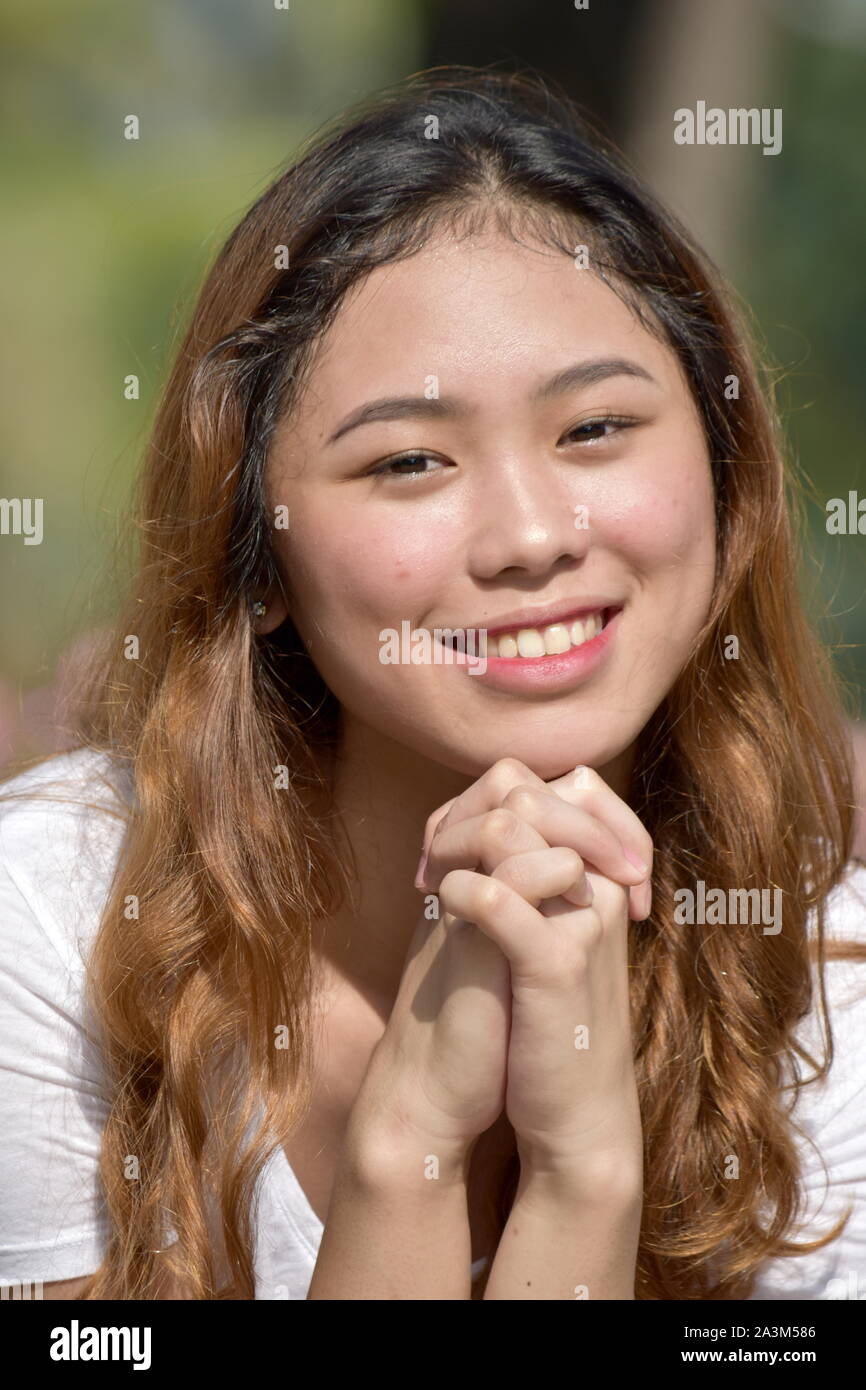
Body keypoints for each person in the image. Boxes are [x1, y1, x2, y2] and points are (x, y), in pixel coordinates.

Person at [1, 66, 864, 1302]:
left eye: (594, 431)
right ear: (258, 562)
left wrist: (583, 1174)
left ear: (728, 493)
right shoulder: (51, 928)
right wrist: (407, 1149)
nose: (526, 535)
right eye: (408, 460)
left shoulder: (830, 999)